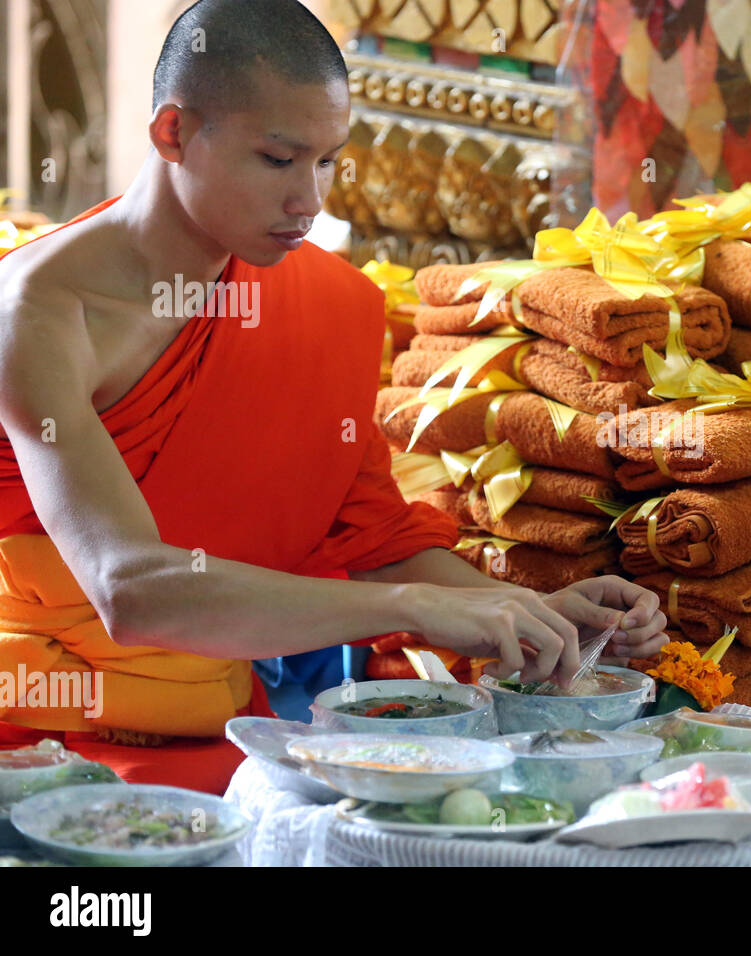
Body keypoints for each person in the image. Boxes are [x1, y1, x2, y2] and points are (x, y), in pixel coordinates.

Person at [0, 0, 667, 793]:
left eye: (326, 162)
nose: (309, 201)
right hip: (43, 750)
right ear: (173, 132)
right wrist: (422, 607)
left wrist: (538, 613)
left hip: (230, 739)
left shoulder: (332, 305)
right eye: (278, 160)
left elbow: (372, 538)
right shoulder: (37, 316)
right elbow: (130, 590)